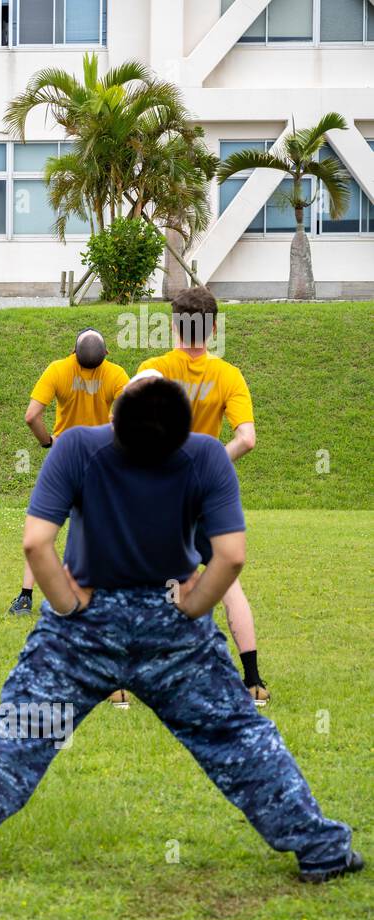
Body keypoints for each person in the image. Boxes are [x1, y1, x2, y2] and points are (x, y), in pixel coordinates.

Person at [0, 374, 361, 885]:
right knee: (235, 735)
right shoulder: (207, 456)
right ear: (182, 430)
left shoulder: (75, 447)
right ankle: (321, 850)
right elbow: (232, 556)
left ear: (114, 418)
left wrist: (66, 606)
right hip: (171, 628)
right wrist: (194, 607)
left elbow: (35, 544)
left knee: (23, 731)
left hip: (84, 630)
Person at [138, 286, 267, 706]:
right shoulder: (229, 375)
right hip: (210, 497)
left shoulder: (156, 367)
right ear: (212, 327)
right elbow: (246, 439)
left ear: (175, 325)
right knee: (229, 587)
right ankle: (252, 681)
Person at [9, 328, 129, 621]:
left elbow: (31, 416)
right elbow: (132, 415)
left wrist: (48, 442)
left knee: (42, 529)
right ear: (106, 355)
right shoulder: (116, 374)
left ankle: (25, 597)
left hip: (63, 457)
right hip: (102, 460)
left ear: (73, 352)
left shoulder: (58, 369)